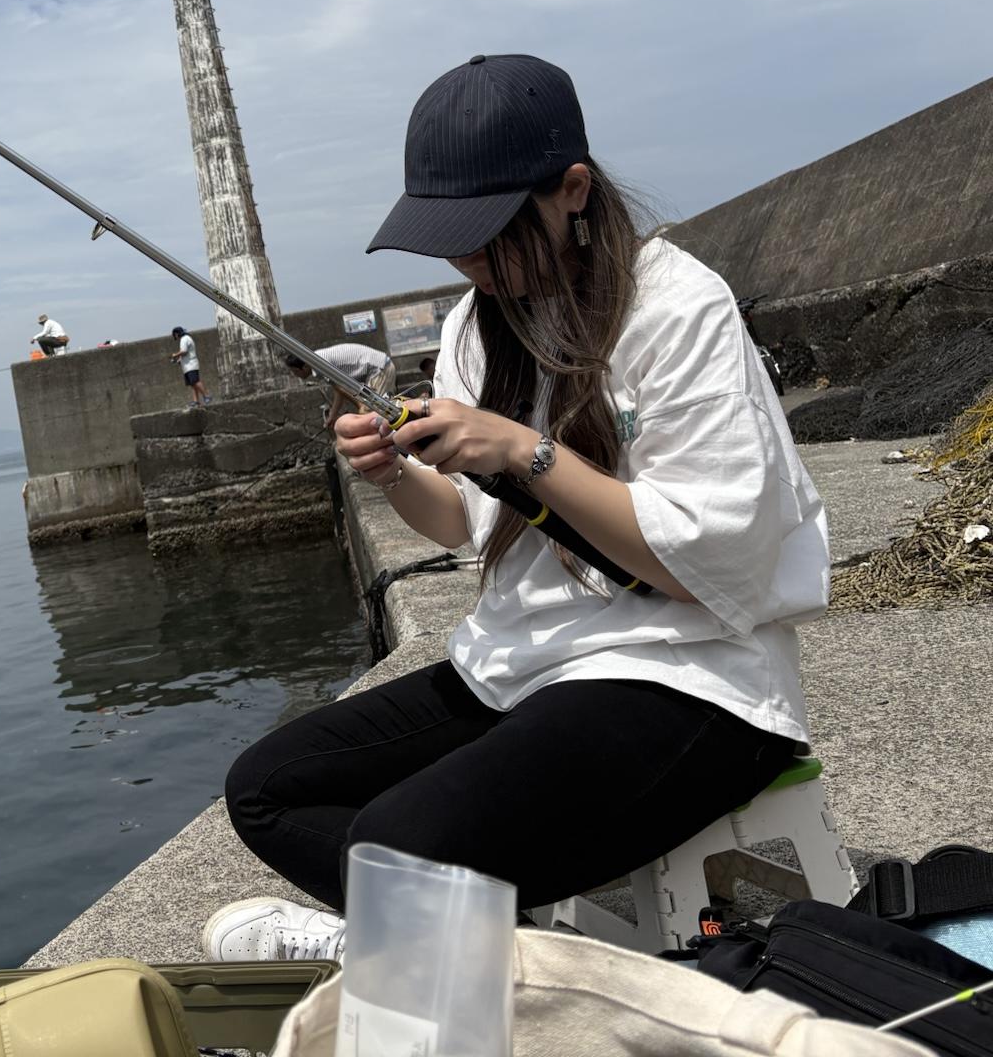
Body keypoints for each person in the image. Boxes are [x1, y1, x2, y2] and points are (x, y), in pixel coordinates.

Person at [204, 53, 828, 963]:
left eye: (489, 232)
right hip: (524, 661)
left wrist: (525, 453)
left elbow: (714, 566)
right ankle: (415, 931)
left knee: (399, 843)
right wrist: (393, 473)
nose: (469, 260)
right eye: (448, 237)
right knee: (266, 787)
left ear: (571, 189)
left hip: (694, 673)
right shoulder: (472, 324)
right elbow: (462, 522)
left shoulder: (676, 306)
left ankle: (397, 935)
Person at [283, 341, 394, 396]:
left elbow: (341, 388)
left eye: (295, 371)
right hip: (378, 366)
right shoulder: (317, 359)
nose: (296, 375)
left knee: (375, 410)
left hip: (379, 368)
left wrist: (361, 406)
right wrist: (333, 415)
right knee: (372, 411)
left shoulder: (319, 363)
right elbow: (339, 390)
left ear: (305, 366)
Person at [167, 326, 210, 406]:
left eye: (175, 335)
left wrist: (174, 355)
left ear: (177, 334)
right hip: (188, 366)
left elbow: (184, 351)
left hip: (191, 365)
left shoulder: (184, 339)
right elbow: (185, 354)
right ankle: (196, 401)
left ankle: (206, 395)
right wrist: (178, 360)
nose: (175, 336)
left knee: (195, 381)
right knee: (192, 384)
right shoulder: (186, 338)